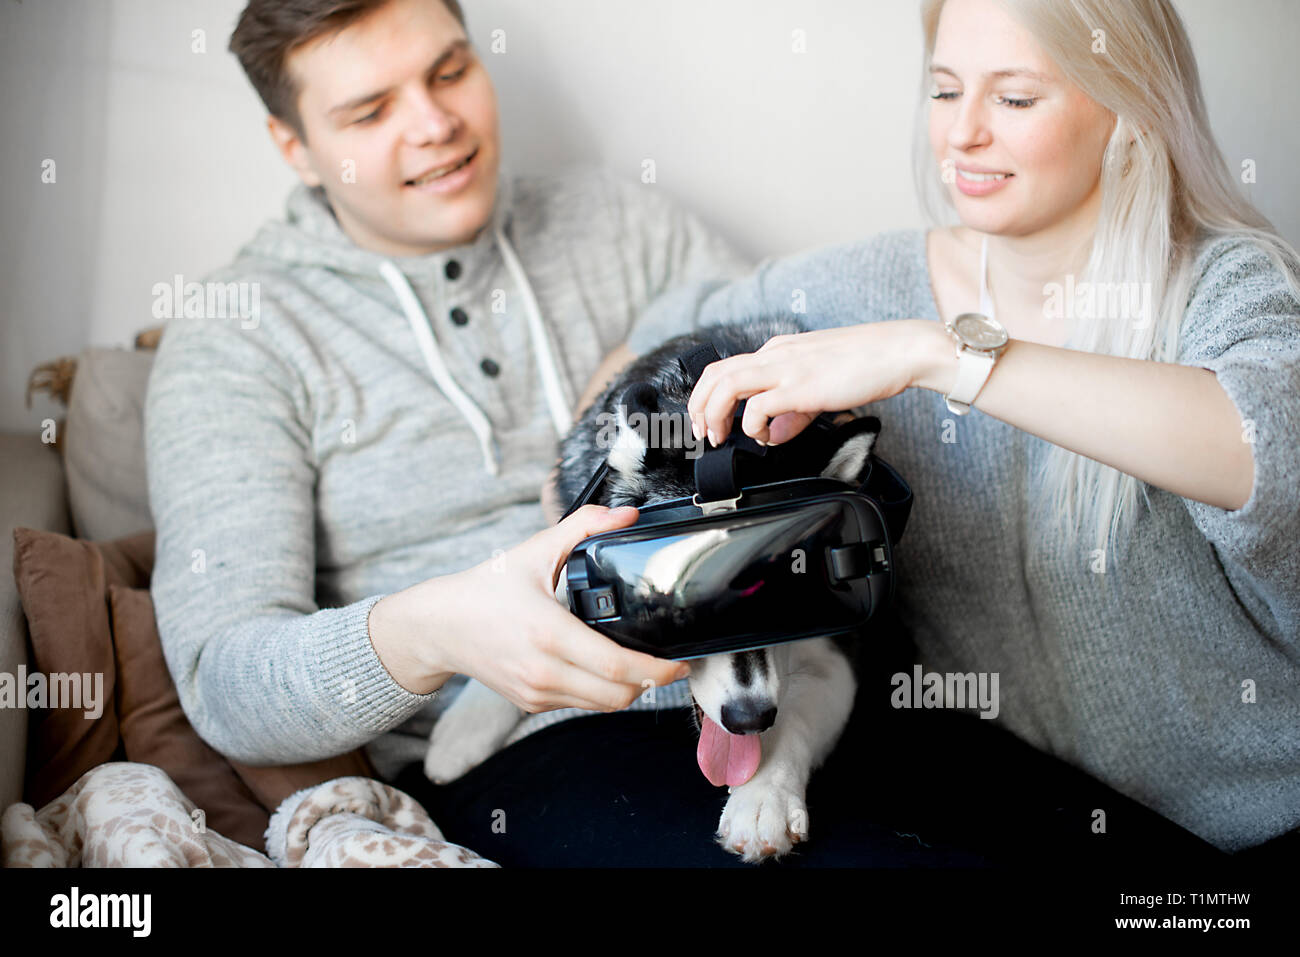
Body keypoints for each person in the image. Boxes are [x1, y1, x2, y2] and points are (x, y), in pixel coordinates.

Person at [554, 0, 1299, 864]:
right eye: (946, 92)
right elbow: (648, 348)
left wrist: (941, 355)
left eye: (1015, 98)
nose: (965, 134)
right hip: (1031, 816)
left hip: (1266, 824)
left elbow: (1267, 451)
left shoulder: (1229, 281)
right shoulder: (861, 288)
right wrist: (580, 490)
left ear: (1128, 107)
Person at [144, 0, 753, 800]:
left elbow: (798, 358)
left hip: (777, 675)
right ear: (295, 147)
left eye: (452, 71)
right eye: (370, 111)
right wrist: (435, 631)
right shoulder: (239, 334)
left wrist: (655, 345)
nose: (436, 124)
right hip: (535, 750)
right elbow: (224, 681)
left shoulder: (623, 224)